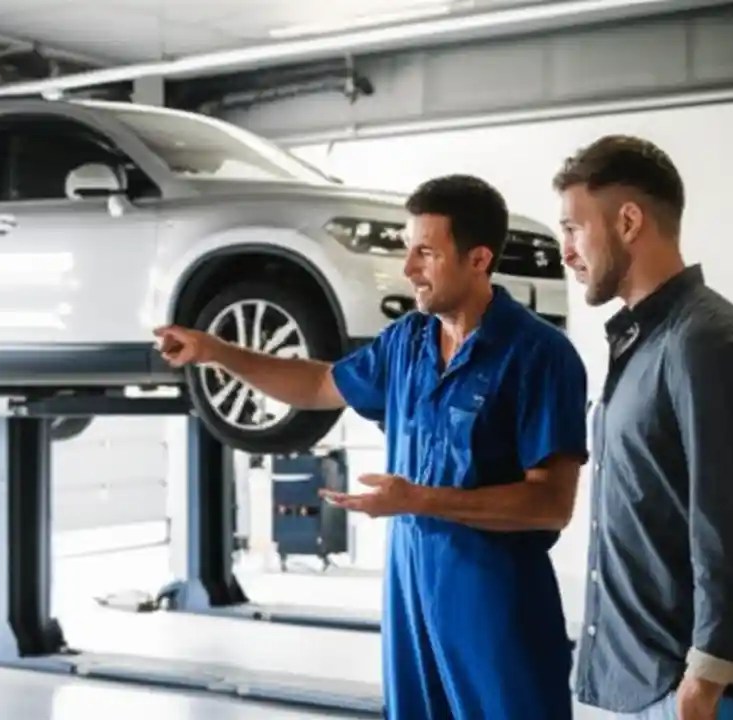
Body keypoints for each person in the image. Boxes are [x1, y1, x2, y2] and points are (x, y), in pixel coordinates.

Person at [155, 175, 590, 719]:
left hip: (496, 611)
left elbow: (550, 504)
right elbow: (317, 385)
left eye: (426, 253)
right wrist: (219, 352)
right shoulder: (406, 342)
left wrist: (420, 500)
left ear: (478, 259)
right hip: (412, 606)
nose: (409, 269)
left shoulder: (540, 356)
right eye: (407, 250)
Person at [555, 135, 733, 720]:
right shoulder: (642, 345)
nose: (567, 251)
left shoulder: (705, 343)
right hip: (634, 684)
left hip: (691, 698)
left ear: (628, 221)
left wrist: (706, 681)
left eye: (573, 228)